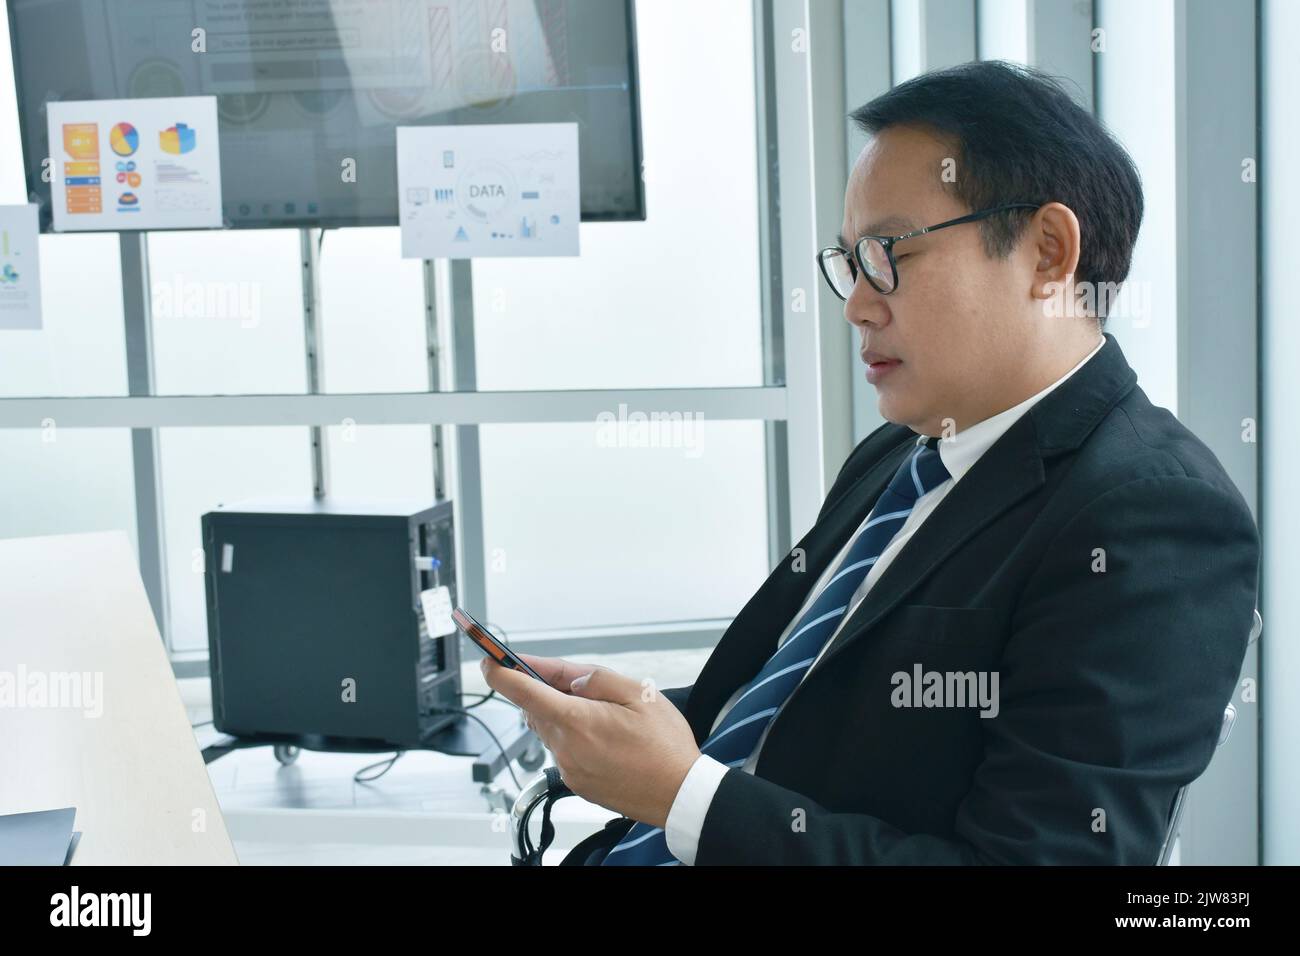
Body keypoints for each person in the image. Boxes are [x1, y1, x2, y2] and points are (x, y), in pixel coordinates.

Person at [482, 60, 1260, 865]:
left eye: (889, 252)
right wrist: (616, 719)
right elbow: (803, 709)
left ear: (1048, 254)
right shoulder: (901, 454)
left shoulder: (1153, 514)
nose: (857, 301)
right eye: (850, 261)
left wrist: (683, 796)